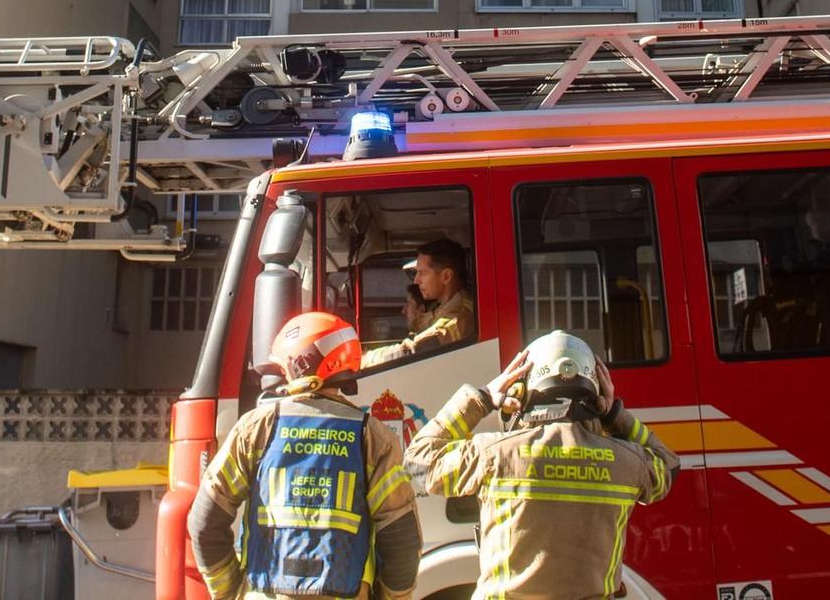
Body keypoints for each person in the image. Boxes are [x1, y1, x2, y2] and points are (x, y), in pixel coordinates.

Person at [406, 331, 678, 600]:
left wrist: (483, 398)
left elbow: (418, 460)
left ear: (522, 389)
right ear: (595, 390)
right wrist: (614, 415)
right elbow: (669, 467)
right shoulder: (627, 462)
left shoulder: (495, 453)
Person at [189, 311, 422, 600]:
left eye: (284, 368)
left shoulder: (255, 428)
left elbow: (204, 523)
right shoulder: (373, 438)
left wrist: (229, 593)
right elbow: (401, 539)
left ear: (301, 364)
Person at [362, 237, 475, 369]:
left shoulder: (458, 316)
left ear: (446, 276)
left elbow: (416, 350)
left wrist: (365, 360)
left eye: (422, 273)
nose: (416, 280)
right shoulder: (446, 307)